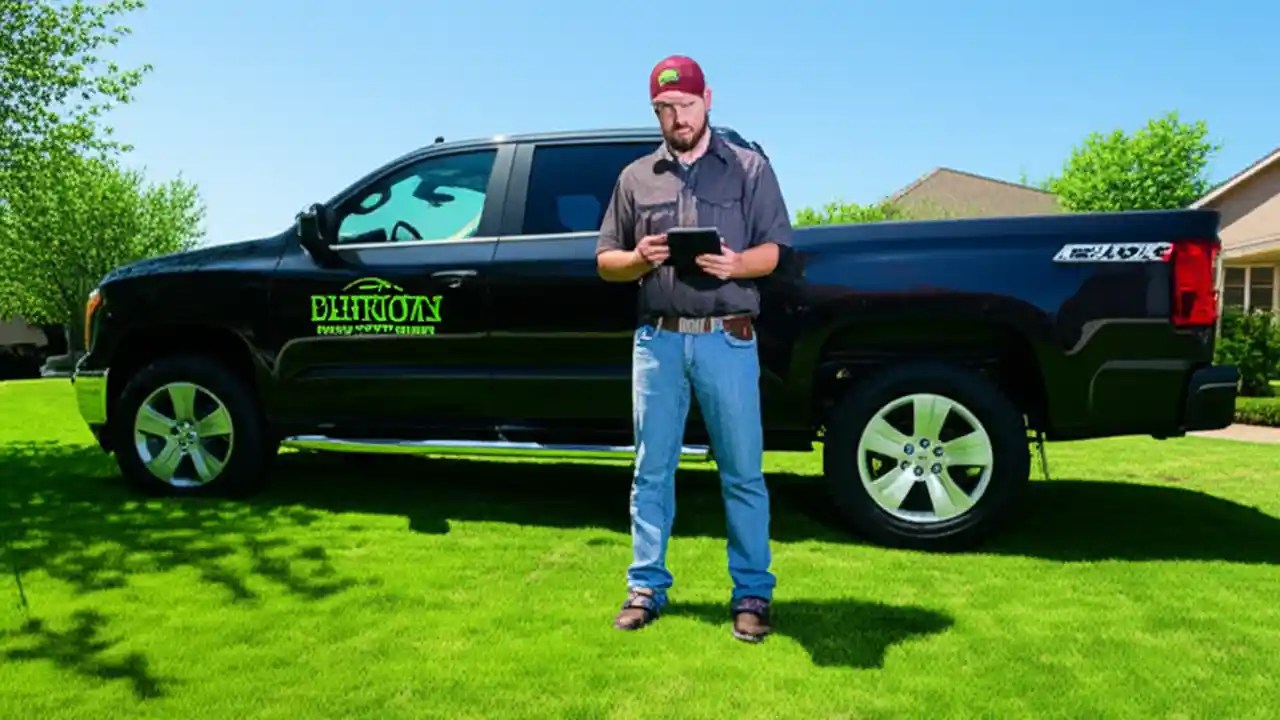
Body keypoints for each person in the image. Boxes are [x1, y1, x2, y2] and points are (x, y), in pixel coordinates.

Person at [595, 54, 794, 643]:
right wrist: (638, 259)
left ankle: (752, 592)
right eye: (664, 108)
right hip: (657, 343)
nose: (677, 117)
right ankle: (645, 587)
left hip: (728, 340)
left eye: (685, 104)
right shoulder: (635, 178)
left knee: (743, 473)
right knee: (651, 473)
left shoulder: (749, 169)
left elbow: (775, 250)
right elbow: (606, 261)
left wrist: (736, 264)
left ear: (707, 100)